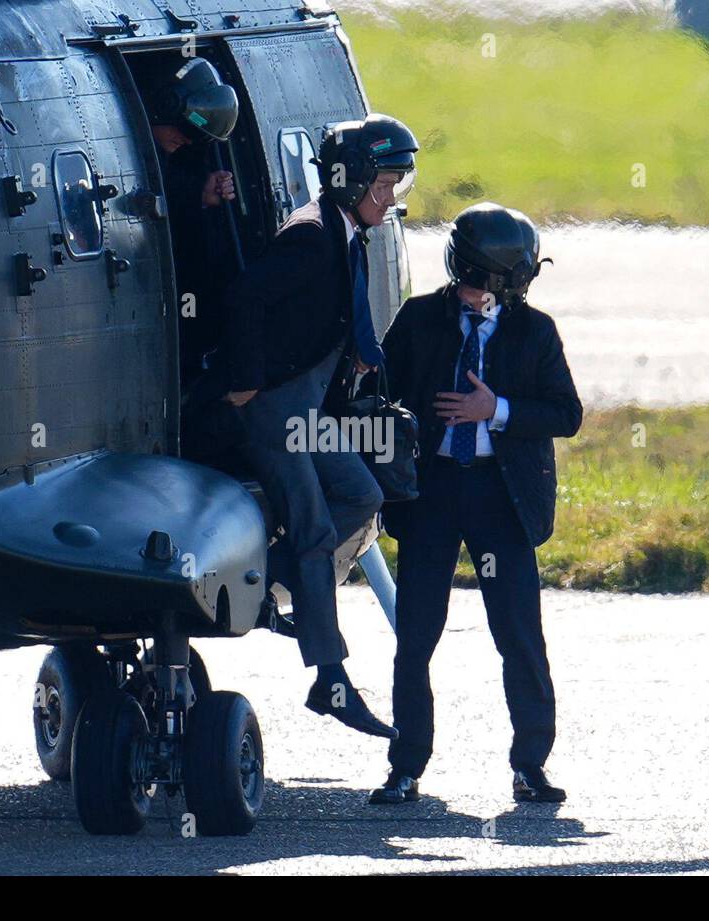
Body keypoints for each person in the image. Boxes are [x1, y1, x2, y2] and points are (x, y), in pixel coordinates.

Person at [369, 202, 583, 803]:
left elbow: (566, 413)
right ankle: (406, 763)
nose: (470, 295)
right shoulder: (417, 321)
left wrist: (498, 411)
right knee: (416, 635)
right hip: (434, 492)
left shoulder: (534, 332)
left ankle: (531, 764)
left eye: (479, 287)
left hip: (500, 495)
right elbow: (378, 395)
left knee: (517, 633)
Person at [216, 114, 419, 739]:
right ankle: (331, 680)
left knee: (363, 494)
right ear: (351, 178)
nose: (391, 197)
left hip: (308, 409)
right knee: (314, 530)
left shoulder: (344, 230)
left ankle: (266, 593)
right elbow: (244, 299)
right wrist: (245, 384)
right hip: (277, 409)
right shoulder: (311, 235)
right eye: (384, 183)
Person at [146, 56, 239, 389]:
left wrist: (203, 195)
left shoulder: (184, 155)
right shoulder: (144, 153)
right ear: (163, 106)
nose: (186, 140)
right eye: (184, 129)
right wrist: (195, 195)